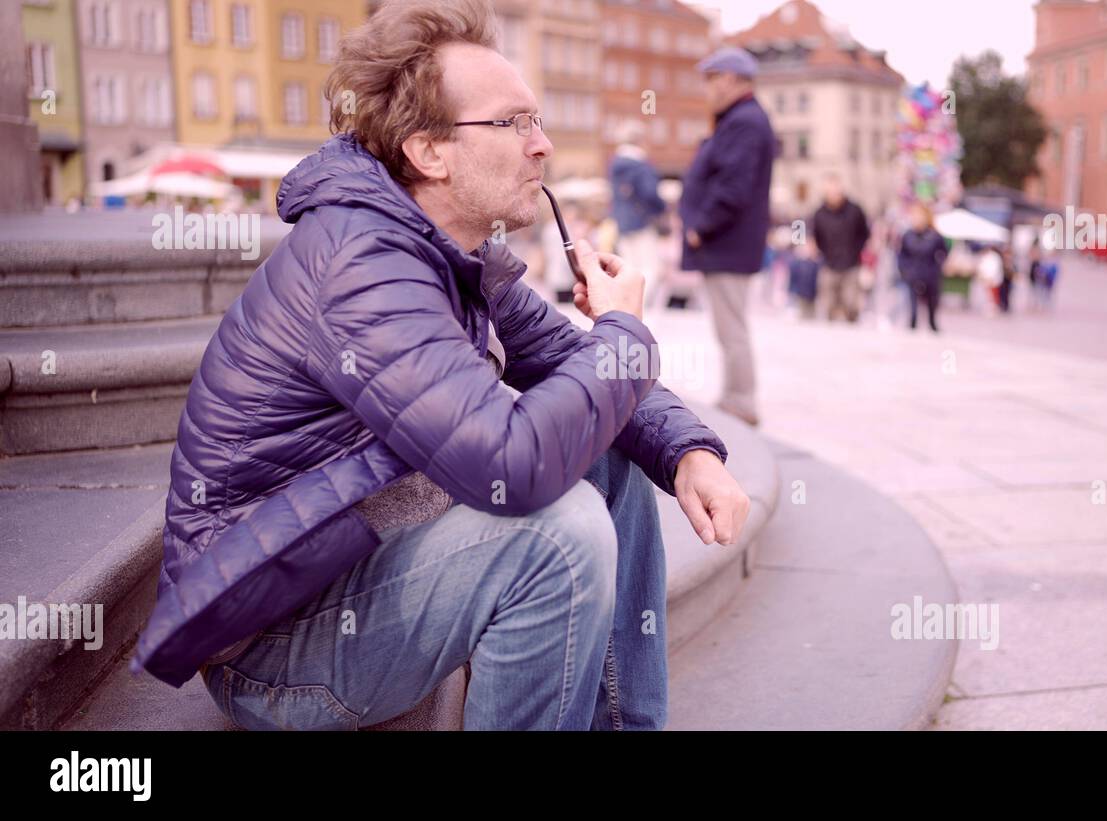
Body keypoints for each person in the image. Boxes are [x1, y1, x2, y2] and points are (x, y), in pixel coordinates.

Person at [128, 0, 751, 732]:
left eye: (537, 120)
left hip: (361, 557)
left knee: (608, 452)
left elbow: (563, 357)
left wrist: (690, 450)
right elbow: (513, 463)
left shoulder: (450, 252)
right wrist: (623, 332)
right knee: (558, 534)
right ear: (429, 151)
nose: (542, 145)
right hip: (274, 642)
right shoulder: (363, 268)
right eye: (514, 123)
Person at [680, 46, 778, 428]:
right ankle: (736, 396)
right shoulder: (740, 120)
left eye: (711, 79)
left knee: (731, 327)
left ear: (730, 79)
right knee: (729, 326)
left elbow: (733, 187)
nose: (707, 88)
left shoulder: (745, 123)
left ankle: (741, 401)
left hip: (726, 243)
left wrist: (701, 227)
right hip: (728, 244)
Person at [609, 121, 667, 313]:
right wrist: (661, 209)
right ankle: (637, 306)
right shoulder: (641, 166)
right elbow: (650, 194)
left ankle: (626, 305)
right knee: (651, 268)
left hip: (622, 223)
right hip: (642, 222)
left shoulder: (615, 166)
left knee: (628, 267)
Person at [810, 173, 871, 322]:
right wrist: (816, 249)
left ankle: (853, 330)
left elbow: (865, 233)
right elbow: (810, 234)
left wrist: (858, 250)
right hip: (829, 263)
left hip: (851, 263)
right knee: (828, 304)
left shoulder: (855, 210)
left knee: (851, 304)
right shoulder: (819, 213)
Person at [896, 203, 947, 333]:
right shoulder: (907, 235)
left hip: (930, 274)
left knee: (932, 302)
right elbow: (902, 254)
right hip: (912, 273)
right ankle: (912, 324)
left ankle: (932, 323)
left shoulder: (935, 236)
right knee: (912, 303)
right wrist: (904, 269)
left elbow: (944, 252)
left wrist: (938, 266)